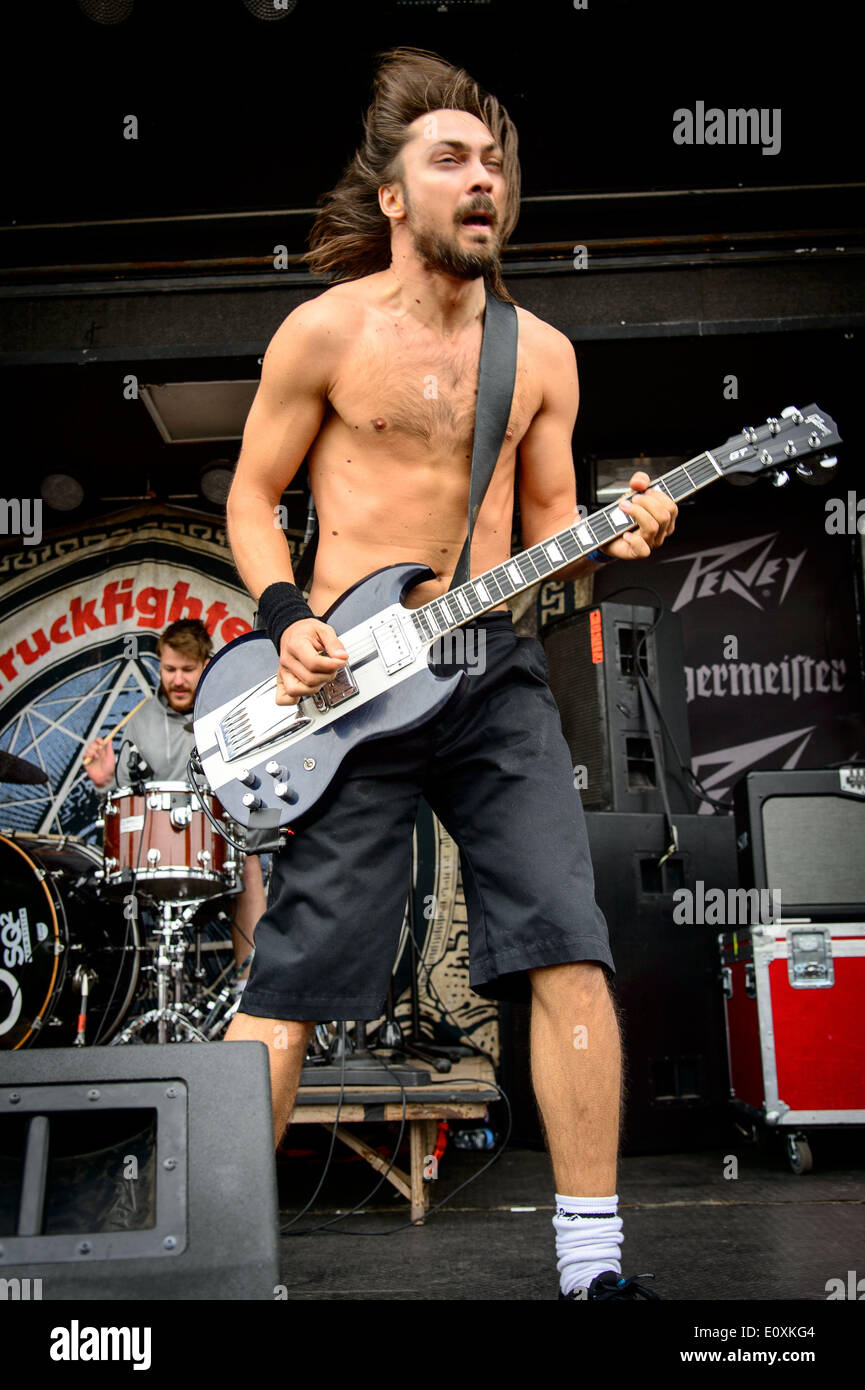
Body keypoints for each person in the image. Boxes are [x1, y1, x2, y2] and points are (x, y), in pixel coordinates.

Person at [224, 48, 678, 1301]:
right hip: (346, 697)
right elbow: (254, 502)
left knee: (565, 947)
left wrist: (609, 534)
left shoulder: (540, 358)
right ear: (391, 196)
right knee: (292, 980)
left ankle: (594, 1265)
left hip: (491, 677)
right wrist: (279, 621)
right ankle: (224, 1266)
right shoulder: (321, 330)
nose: (483, 179)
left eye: (494, 162)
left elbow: (549, 556)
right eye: (451, 160)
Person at [83, 617, 266, 973]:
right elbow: (124, 807)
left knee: (251, 862)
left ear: (206, 665)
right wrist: (104, 781)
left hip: (215, 846)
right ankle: (124, 989)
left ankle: (251, 982)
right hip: (151, 854)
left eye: (187, 669)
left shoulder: (227, 715)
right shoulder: (138, 720)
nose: (177, 680)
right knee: (105, 877)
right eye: (169, 669)